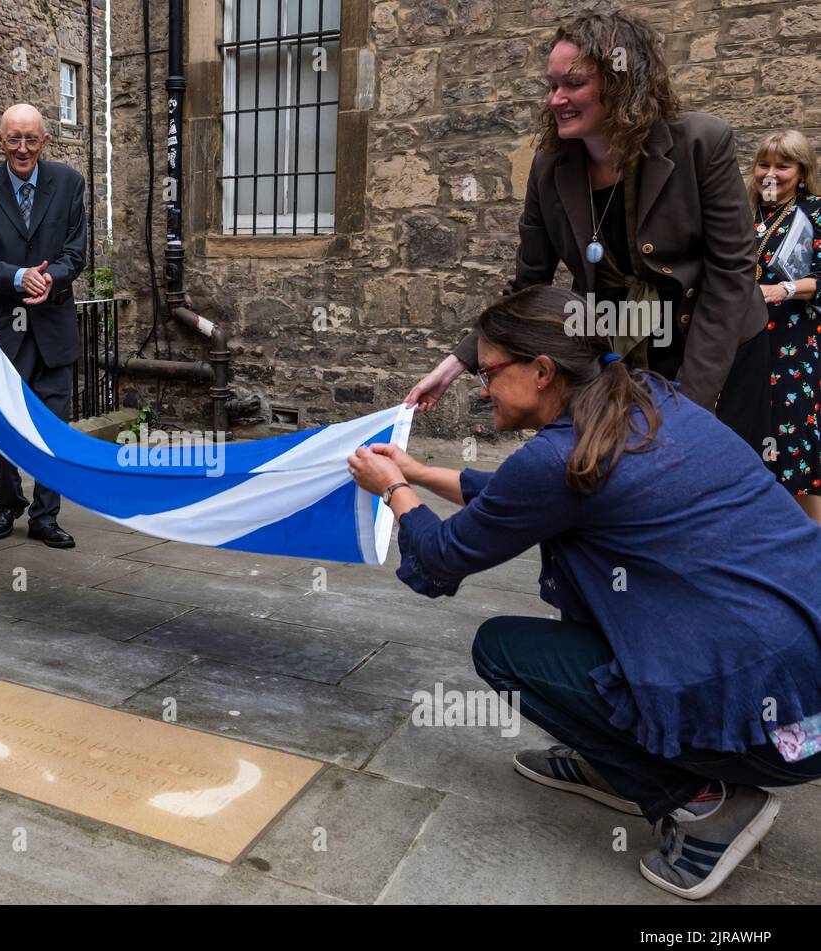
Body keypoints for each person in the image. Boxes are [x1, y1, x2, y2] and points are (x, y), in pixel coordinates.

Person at [349, 285, 821, 900]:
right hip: (803, 681)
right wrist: (417, 473)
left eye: (488, 373)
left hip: (767, 730)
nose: (481, 389)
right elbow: (527, 495)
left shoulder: (558, 458)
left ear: (542, 371)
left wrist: (392, 491)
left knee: (502, 649)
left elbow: (440, 560)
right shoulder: (651, 397)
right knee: (598, 595)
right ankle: (614, 759)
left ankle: (706, 806)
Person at [405, 11, 768, 451]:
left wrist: (690, 403)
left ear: (623, 84)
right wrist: (454, 365)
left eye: (573, 84)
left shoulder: (701, 143)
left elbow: (732, 273)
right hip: (616, 353)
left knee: (700, 487)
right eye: (552, 85)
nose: (556, 99)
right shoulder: (549, 168)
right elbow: (527, 286)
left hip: (715, 351)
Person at [0, 103, 87, 549]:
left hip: (53, 325)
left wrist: (51, 277)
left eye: (31, 139)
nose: (22, 148)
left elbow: (76, 252)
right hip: (1, 330)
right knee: (0, 424)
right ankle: (8, 498)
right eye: (14, 138)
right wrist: (17, 276)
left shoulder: (70, 184)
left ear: (44, 141)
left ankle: (45, 516)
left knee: (54, 426)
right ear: (0, 140)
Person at [746, 130, 821, 524]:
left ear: (802, 172)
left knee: (794, 445)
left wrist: (784, 289)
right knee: (747, 439)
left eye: (783, 165)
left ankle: (812, 550)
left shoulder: (815, 212)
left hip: (794, 344)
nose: (770, 174)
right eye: (764, 164)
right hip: (743, 342)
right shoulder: (740, 212)